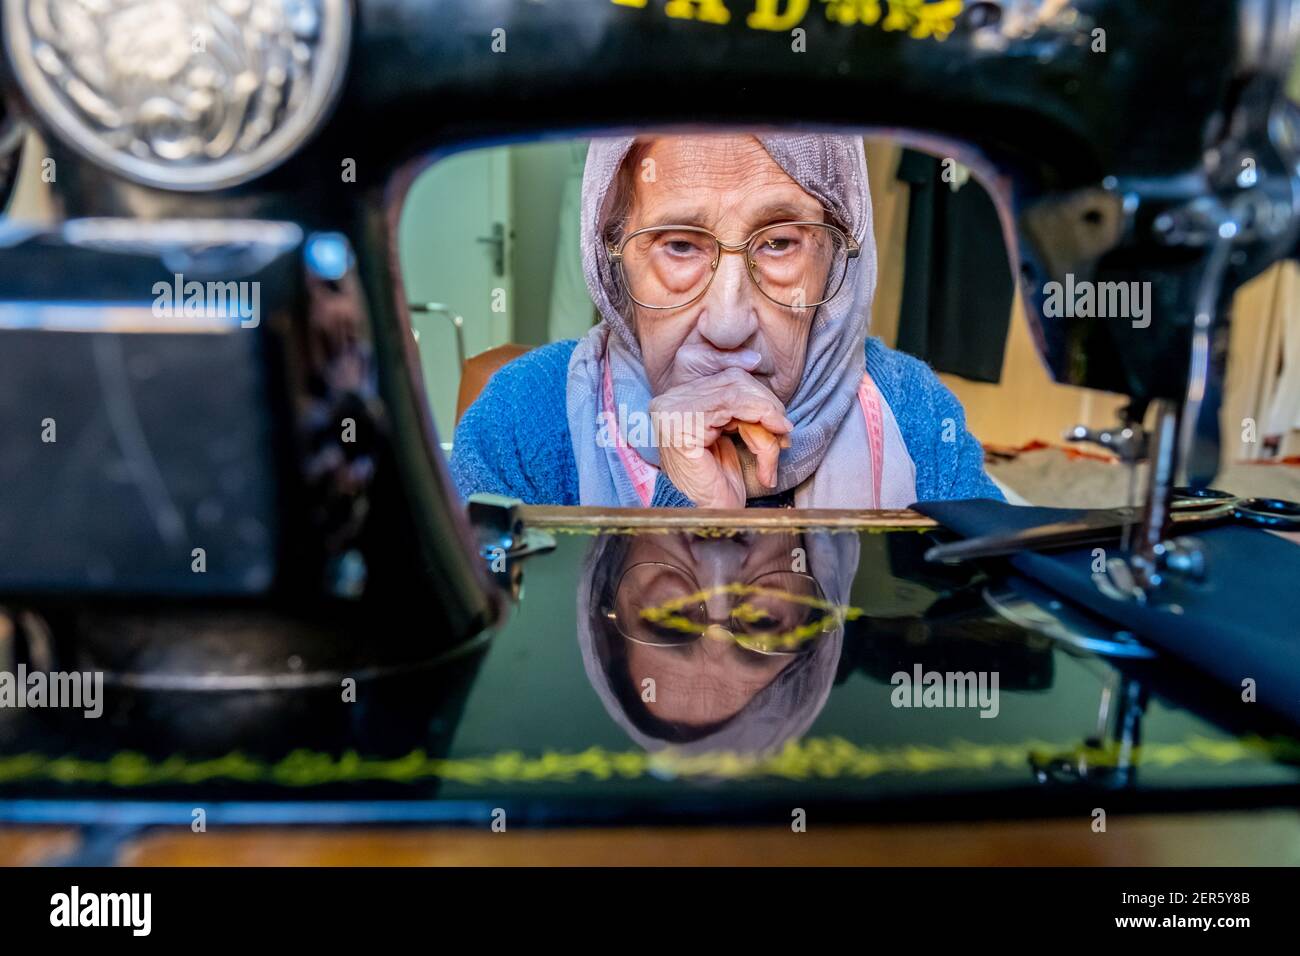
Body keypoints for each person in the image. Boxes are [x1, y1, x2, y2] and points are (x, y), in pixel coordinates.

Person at [452, 133, 1003, 508]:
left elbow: (1006, 641)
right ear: (614, 264)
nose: (727, 323)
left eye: (781, 242)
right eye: (679, 246)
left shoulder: (918, 418)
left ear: (838, 259)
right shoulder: (523, 420)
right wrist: (692, 514)